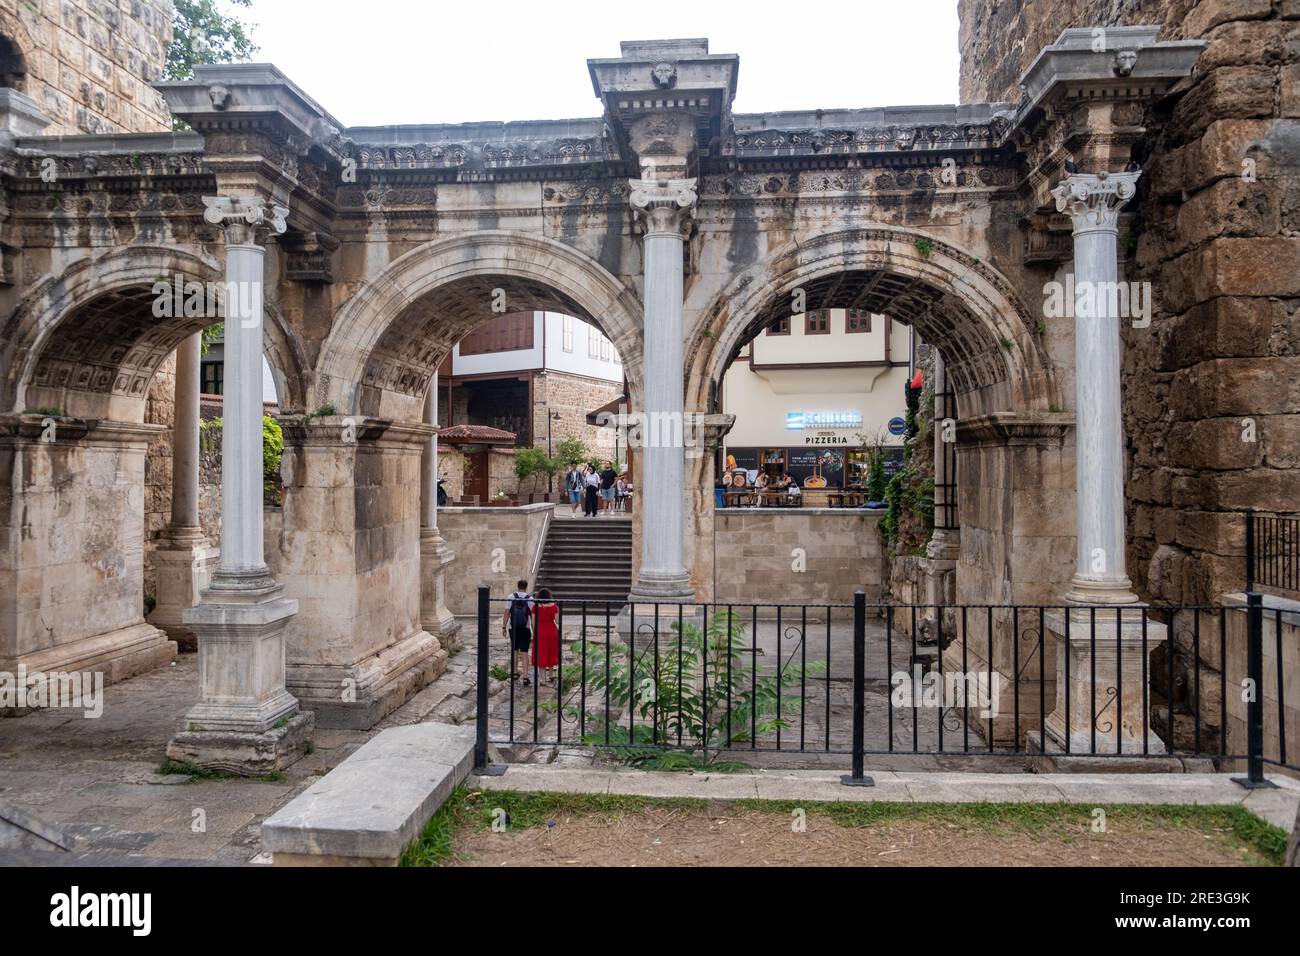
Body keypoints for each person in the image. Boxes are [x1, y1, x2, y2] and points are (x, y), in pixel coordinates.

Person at [502, 580, 533, 684]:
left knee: (514, 650)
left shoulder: (511, 597)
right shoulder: (530, 599)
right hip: (525, 628)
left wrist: (504, 627)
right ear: (526, 587)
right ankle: (525, 676)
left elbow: (506, 612)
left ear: (518, 586)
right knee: (525, 652)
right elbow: (532, 616)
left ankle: (515, 672)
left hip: (513, 628)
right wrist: (534, 629)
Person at [531, 588, 560, 683]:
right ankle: (551, 675)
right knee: (551, 652)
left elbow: (533, 622)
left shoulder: (535, 607)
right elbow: (557, 621)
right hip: (551, 631)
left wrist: (535, 632)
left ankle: (543, 680)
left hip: (540, 631)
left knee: (541, 654)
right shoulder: (554, 606)